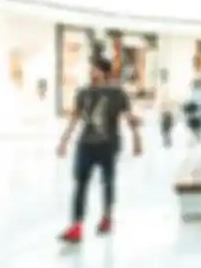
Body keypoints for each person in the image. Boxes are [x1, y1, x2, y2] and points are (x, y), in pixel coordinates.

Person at [57, 58, 142, 242]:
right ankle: (76, 226)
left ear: (105, 73)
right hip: (85, 145)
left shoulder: (117, 94)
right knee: (80, 184)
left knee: (108, 183)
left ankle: (107, 217)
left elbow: (129, 118)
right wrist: (64, 141)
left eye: (95, 70)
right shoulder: (83, 92)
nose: (91, 73)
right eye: (90, 70)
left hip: (108, 146)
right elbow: (74, 118)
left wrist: (137, 139)